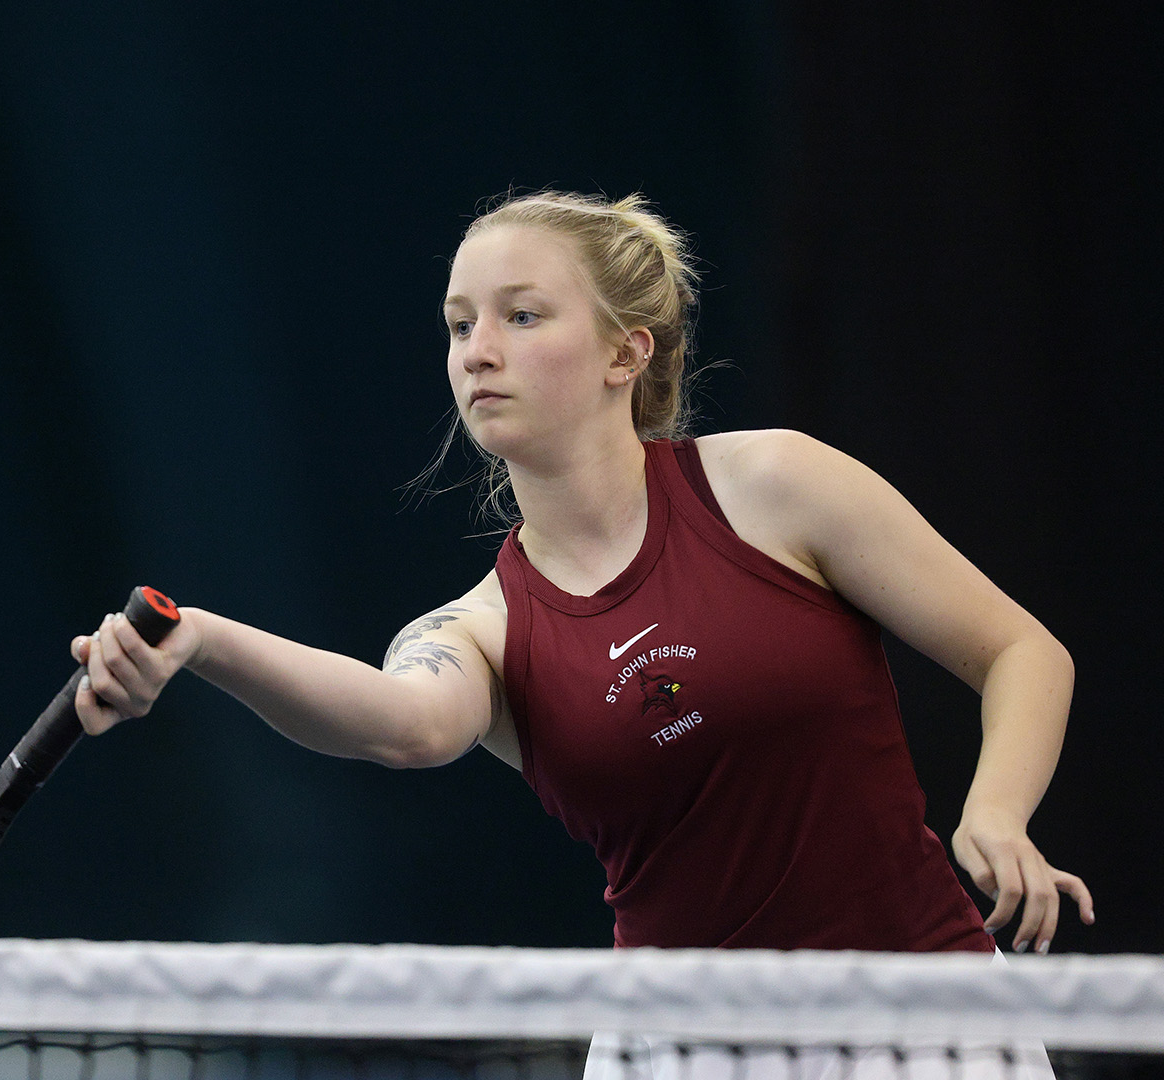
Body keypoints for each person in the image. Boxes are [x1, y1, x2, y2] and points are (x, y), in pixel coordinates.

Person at [68, 190, 1092, 959]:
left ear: (623, 354)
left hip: (928, 1012)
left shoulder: (779, 484)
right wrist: (202, 639)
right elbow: (405, 723)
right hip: (680, 1054)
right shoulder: (479, 630)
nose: (477, 351)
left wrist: (996, 812)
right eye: (460, 324)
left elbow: (1020, 651)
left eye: (521, 316)